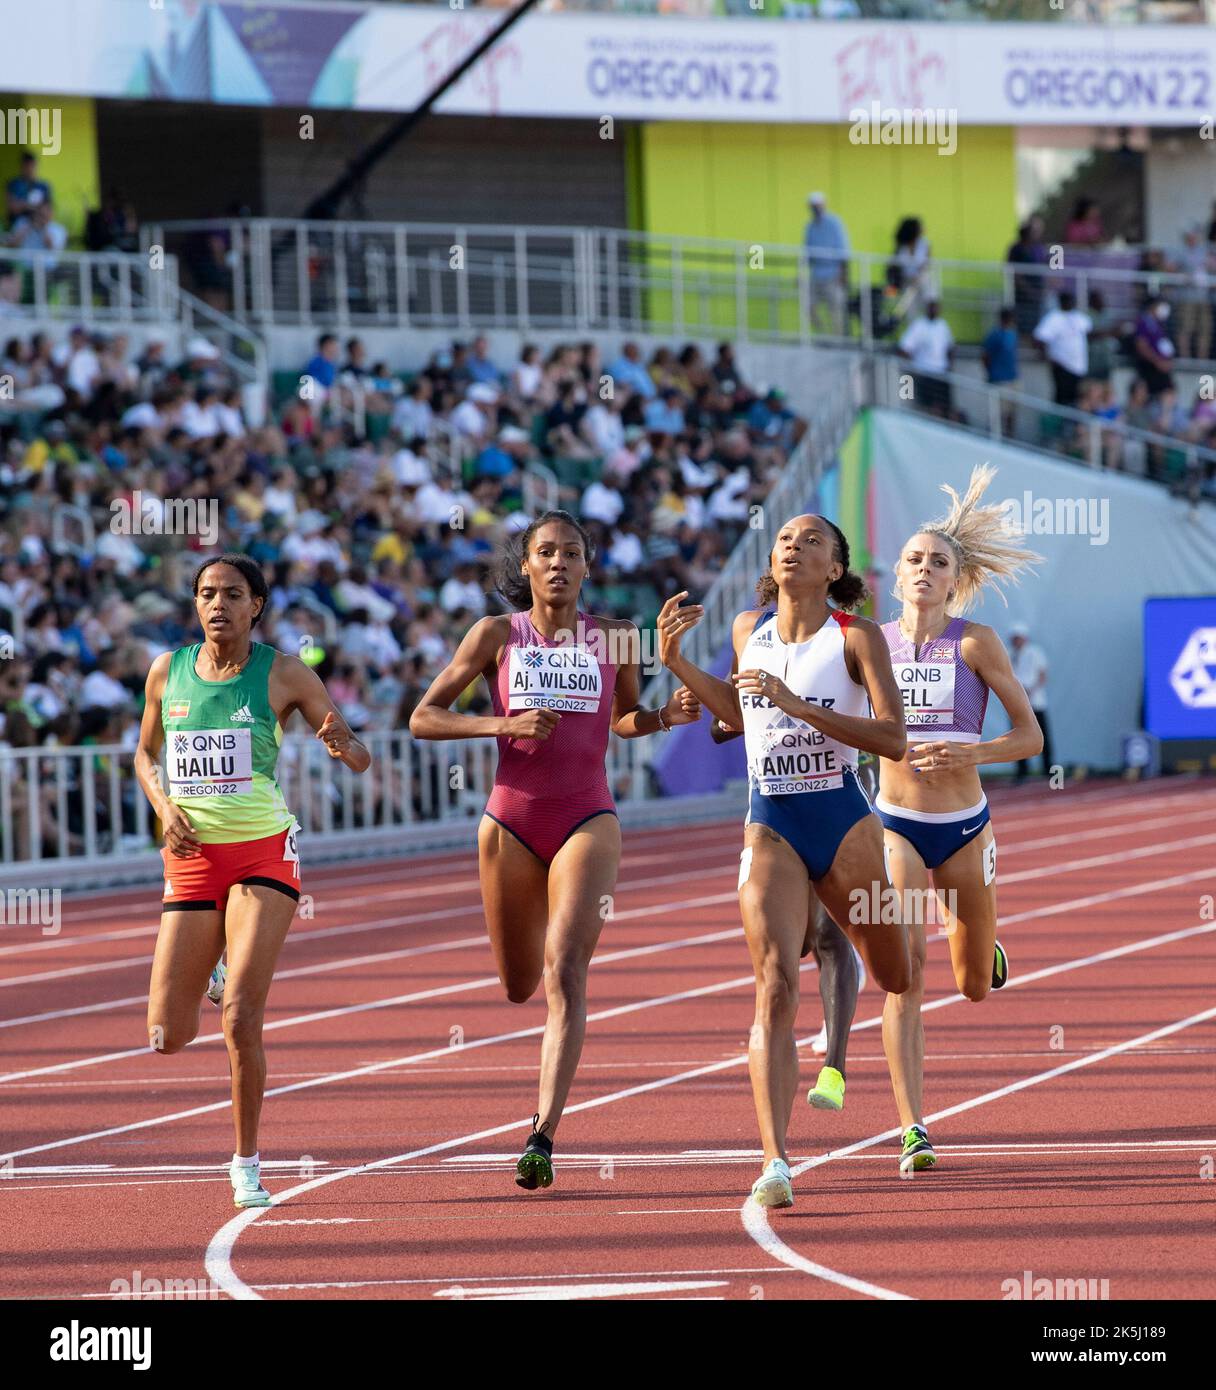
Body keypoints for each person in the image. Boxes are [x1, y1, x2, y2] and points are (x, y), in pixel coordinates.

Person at [409, 510, 701, 1190]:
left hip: (587, 814)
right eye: (547, 552)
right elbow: (424, 717)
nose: (560, 563)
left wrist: (664, 716)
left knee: (565, 968)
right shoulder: (493, 635)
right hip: (509, 820)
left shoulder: (618, 639)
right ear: (529, 567)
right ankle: (536, 1061)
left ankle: (542, 1133)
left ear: (588, 566)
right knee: (519, 986)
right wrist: (502, 721)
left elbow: (626, 720)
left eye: (573, 552)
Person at [657, 515, 911, 1209]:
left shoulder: (855, 637)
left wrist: (797, 704)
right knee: (773, 982)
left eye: (813, 541)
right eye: (785, 540)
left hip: (842, 813)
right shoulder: (748, 630)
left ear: (835, 568)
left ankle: (875, 981)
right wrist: (678, 665)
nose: (794, 546)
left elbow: (892, 738)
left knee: (896, 972)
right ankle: (775, 1159)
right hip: (769, 816)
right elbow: (739, 716)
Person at [134, 554, 370, 1209]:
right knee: (169, 1035)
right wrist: (165, 808)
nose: (218, 605)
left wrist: (344, 746)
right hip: (191, 856)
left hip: (265, 851)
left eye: (232, 594)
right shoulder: (167, 671)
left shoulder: (286, 673)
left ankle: (246, 1163)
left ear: (256, 605)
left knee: (241, 1015)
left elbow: (353, 748)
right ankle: (211, 972)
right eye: (207, 593)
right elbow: (145, 753)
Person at [875, 466, 1043, 1174]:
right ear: (896, 576)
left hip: (967, 826)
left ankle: (986, 949)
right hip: (894, 824)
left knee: (971, 984)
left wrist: (972, 749)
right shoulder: (868, 645)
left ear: (955, 580)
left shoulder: (975, 644)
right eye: (914, 559)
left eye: (937, 562)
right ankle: (914, 1127)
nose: (923, 569)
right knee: (903, 976)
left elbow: (1031, 739)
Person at [1008, 622, 1053, 780]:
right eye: (1014, 638)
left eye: (1018, 637)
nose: (1016, 641)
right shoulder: (1010, 653)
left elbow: (1042, 674)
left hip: (1036, 702)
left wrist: (1030, 691)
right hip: (1017, 704)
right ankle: (1022, 771)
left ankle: (1048, 770)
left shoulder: (1035, 652)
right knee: (1018, 737)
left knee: (1043, 736)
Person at [1034, 291, 1091, 409]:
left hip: (1079, 367)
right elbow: (1040, 338)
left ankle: (1074, 426)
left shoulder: (1078, 316)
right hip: (1062, 366)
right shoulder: (1053, 317)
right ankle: (1061, 426)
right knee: (1062, 400)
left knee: (1078, 400)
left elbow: (1090, 333)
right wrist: (1047, 357)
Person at [803, 192, 850, 336]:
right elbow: (807, 254)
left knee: (835, 310)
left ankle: (838, 339)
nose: (816, 209)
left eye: (818, 206)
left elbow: (843, 250)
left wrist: (843, 275)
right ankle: (822, 333)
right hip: (816, 275)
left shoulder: (834, 223)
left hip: (833, 275)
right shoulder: (810, 227)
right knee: (808, 306)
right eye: (813, 206)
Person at [898, 300, 954, 418]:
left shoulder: (942, 325)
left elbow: (950, 347)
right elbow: (905, 347)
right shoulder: (919, 325)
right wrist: (913, 365)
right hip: (925, 372)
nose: (935, 311)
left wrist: (949, 365)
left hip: (941, 372)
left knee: (943, 405)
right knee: (927, 405)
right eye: (932, 308)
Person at [981, 307, 1020, 435]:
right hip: (999, 379)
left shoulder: (1012, 334)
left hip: (1012, 378)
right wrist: (991, 373)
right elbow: (985, 356)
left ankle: (1010, 438)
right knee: (997, 414)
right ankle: (993, 438)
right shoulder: (995, 335)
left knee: (1012, 412)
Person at [1133, 296, 1176, 398]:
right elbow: (1141, 345)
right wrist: (1158, 362)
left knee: (1169, 392)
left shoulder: (1158, 324)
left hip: (1161, 366)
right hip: (1151, 366)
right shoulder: (1143, 322)